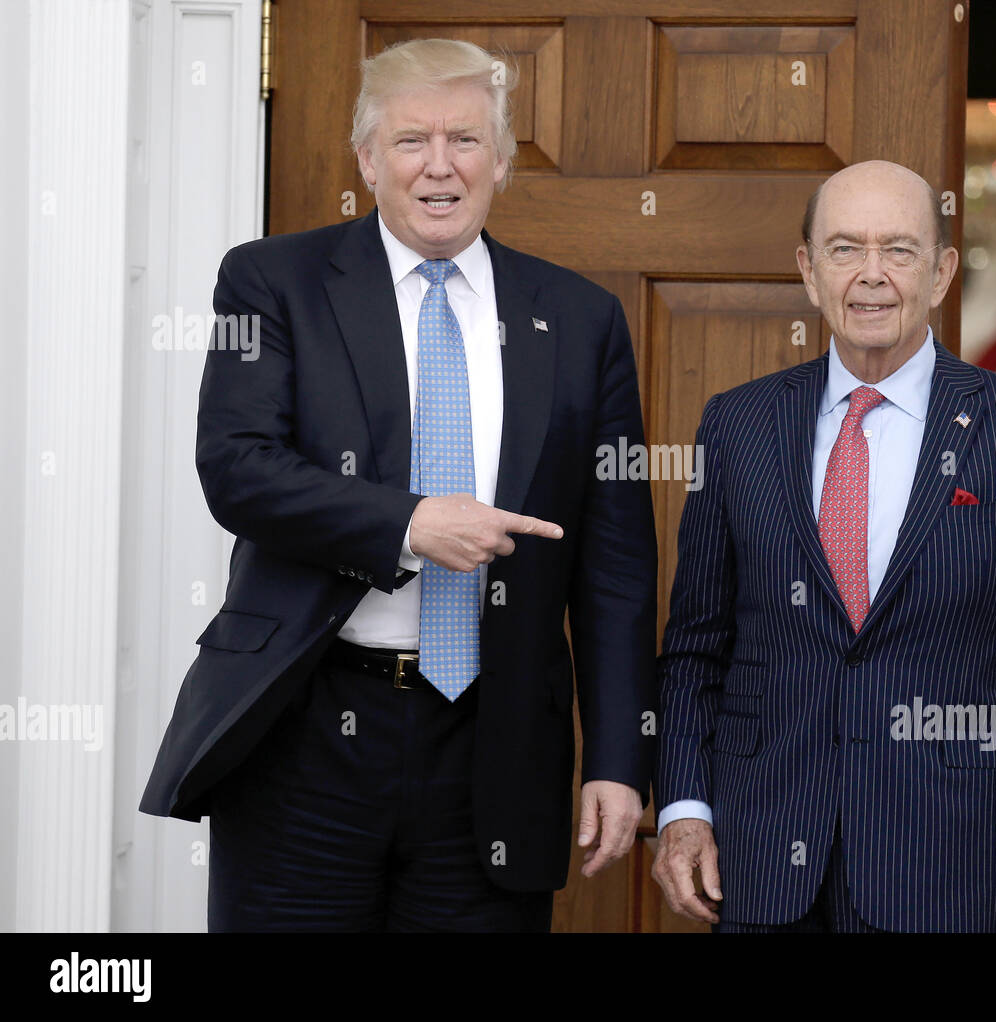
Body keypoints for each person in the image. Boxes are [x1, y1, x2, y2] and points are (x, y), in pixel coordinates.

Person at [140, 38, 658, 932]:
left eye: (466, 140)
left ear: (501, 161)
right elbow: (238, 467)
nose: (440, 166)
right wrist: (410, 524)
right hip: (306, 730)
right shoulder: (272, 282)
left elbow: (612, 568)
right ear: (368, 159)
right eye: (412, 140)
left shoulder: (580, 319)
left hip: (493, 747)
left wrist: (618, 758)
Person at [652, 160, 996, 933]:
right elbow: (696, 644)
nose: (871, 277)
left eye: (899, 250)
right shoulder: (737, 426)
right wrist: (684, 808)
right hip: (761, 859)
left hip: (948, 860)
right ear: (807, 270)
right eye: (843, 249)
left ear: (941, 273)